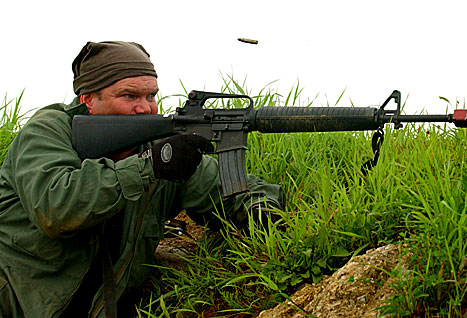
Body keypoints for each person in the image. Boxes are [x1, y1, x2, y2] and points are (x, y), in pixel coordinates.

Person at [0, 41, 283, 318]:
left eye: (151, 96)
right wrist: (149, 167)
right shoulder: (48, 131)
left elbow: (233, 190)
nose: (145, 108)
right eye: (129, 96)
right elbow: (57, 208)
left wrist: (263, 214)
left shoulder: (157, 147)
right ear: (88, 99)